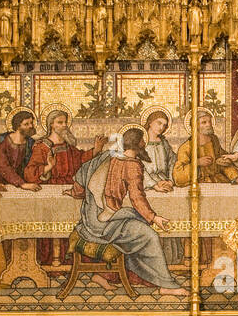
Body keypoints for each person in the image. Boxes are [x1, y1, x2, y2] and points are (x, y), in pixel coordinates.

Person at [65, 126, 185, 297]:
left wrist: (74, 192)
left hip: (89, 221)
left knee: (134, 226)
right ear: (138, 145)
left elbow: (81, 177)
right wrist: (154, 217)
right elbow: (137, 198)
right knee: (149, 235)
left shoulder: (108, 156)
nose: (145, 144)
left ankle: (103, 275)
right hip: (105, 224)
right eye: (143, 141)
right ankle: (166, 284)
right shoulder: (132, 165)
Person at [36, 108, 108, 265]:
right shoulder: (42, 147)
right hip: (52, 189)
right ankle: (55, 261)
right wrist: (48, 168)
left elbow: (81, 159)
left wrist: (96, 148)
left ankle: (75, 260)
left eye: (65, 122)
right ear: (51, 125)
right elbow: (31, 171)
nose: (64, 125)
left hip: (73, 189)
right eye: (59, 122)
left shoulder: (67, 145)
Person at [174, 109, 238, 186]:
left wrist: (236, 178)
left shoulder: (214, 142)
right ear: (195, 126)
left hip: (218, 182)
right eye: (204, 122)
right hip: (200, 185)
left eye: (209, 122)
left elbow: (224, 164)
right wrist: (197, 163)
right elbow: (178, 177)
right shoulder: (186, 148)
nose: (208, 125)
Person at [141, 109, 177, 191]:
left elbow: (172, 162)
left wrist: (170, 181)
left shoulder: (164, 143)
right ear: (150, 122)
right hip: (146, 183)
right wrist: (154, 184)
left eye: (164, 125)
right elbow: (137, 166)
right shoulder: (140, 142)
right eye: (159, 123)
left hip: (164, 181)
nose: (161, 127)